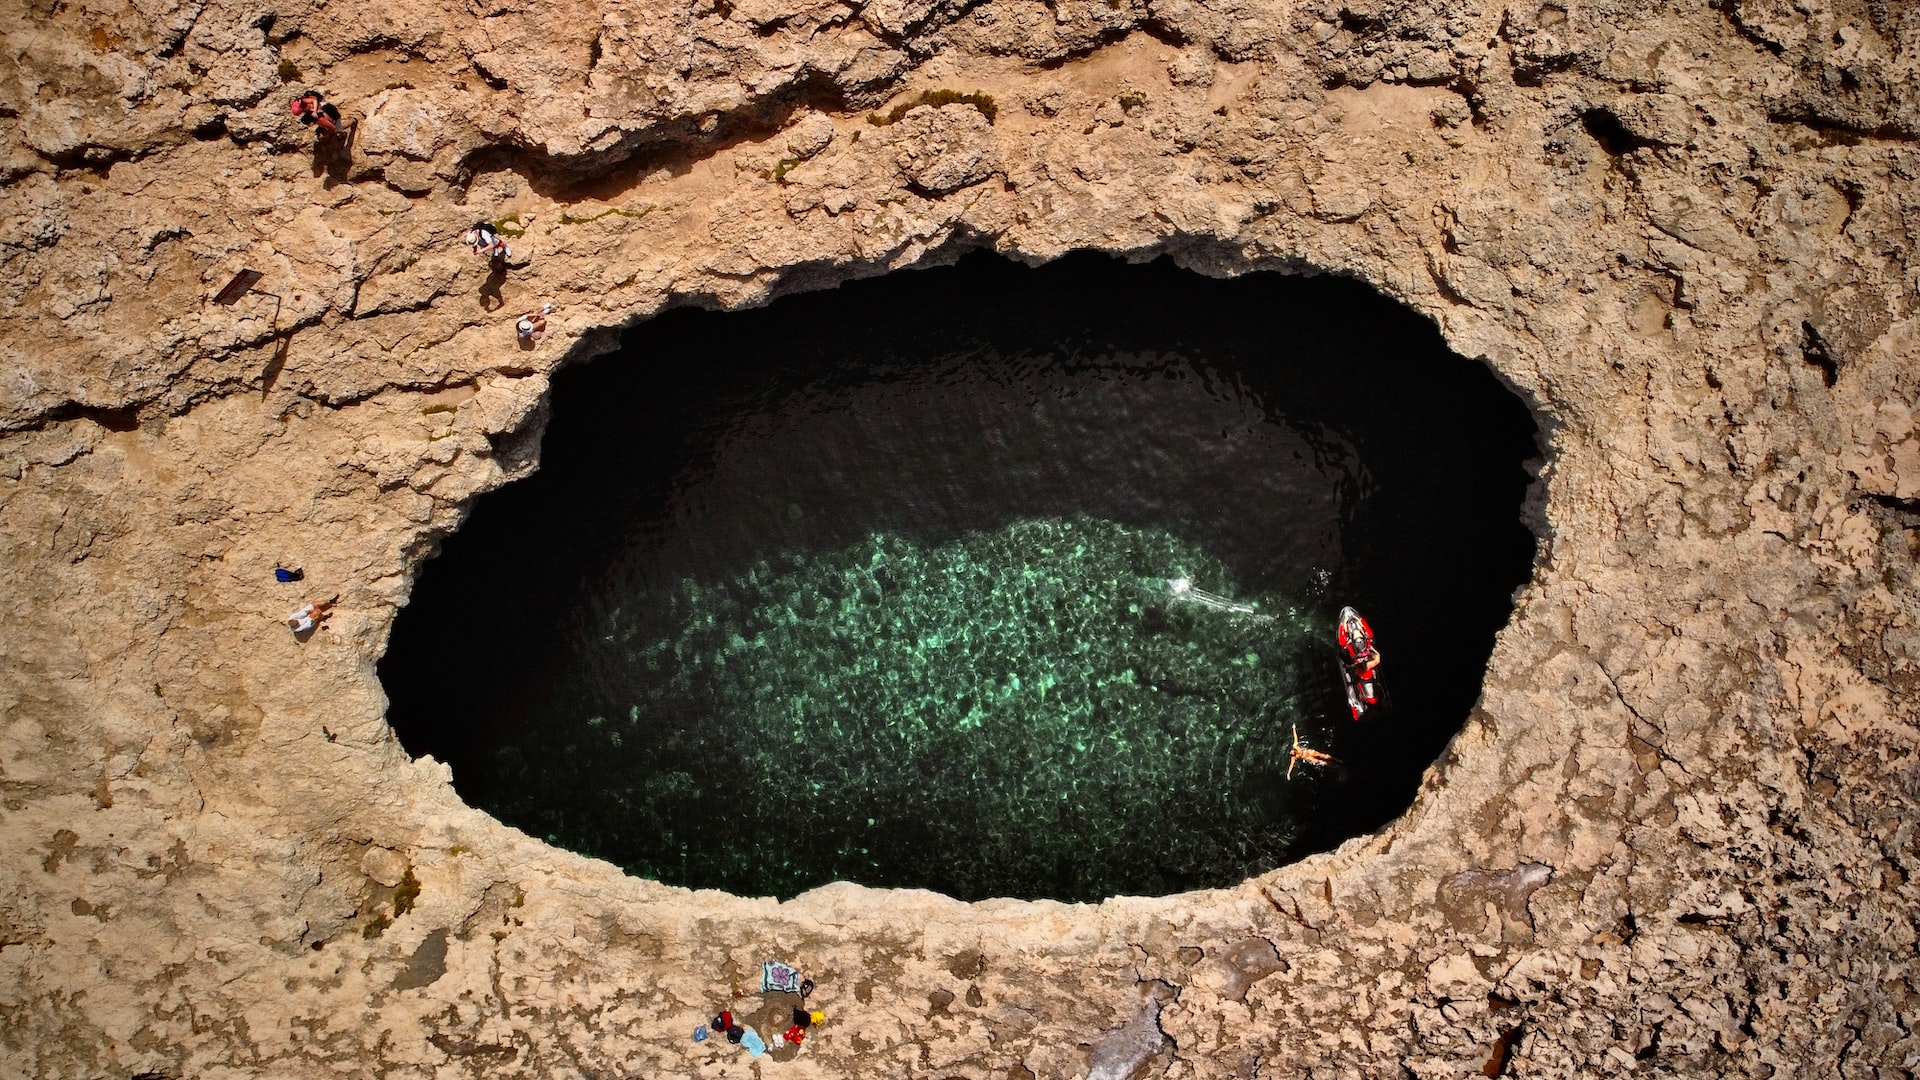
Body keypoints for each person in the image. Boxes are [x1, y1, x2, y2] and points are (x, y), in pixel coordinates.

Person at [291, 90, 355, 140]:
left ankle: (353, 121)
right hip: (326, 108)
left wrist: (327, 134)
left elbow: (332, 128)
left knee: (340, 128)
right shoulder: (303, 104)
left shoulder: (320, 120)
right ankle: (341, 133)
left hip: (332, 115)